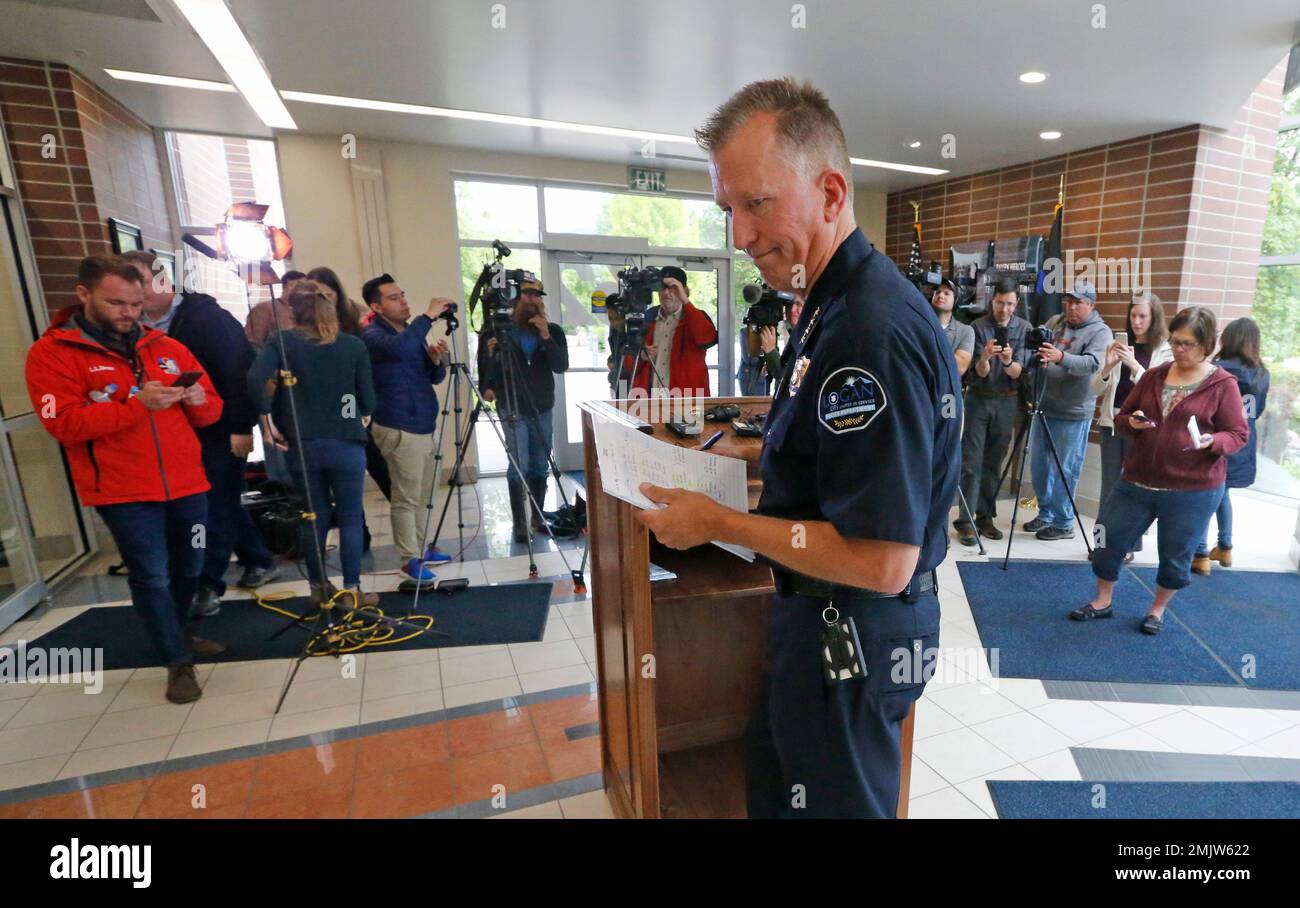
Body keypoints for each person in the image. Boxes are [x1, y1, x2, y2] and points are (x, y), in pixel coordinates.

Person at [636, 78, 960, 818]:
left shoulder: (865, 331)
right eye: (730, 211)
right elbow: (822, 449)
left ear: (831, 191)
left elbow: (883, 560)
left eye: (758, 204)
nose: (741, 237)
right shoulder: (827, 303)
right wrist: (739, 461)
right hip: (814, 624)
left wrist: (716, 523)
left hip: (850, 631)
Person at [25, 255, 225, 703]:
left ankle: (173, 632)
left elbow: (212, 410)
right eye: (116, 303)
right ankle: (176, 660)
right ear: (83, 295)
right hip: (124, 491)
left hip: (187, 484)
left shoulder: (167, 347)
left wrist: (195, 397)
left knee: (191, 565)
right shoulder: (51, 354)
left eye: (137, 303)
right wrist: (138, 406)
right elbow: (62, 424)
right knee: (151, 575)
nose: (129, 313)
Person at [1071, 307, 1248, 634]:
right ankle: (1102, 600)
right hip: (1137, 480)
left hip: (1193, 490)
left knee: (1175, 554)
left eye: (1188, 344)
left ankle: (1157, 609)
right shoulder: (1154, 375)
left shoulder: (1223, 384)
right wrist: (1133, 422)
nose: (1179, 350)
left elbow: (1238, 433)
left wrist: (1213, 440)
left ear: (1207, 344)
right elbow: (1123, 417)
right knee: (1107, 540)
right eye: (1175, 341)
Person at [125, 251, 279, 617]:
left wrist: (242, 428)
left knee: (215, 507)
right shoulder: (137, 327)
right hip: (177, 434)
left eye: (142, 282)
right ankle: (259, 558)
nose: (137, 293)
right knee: (219, 504)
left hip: (220, 429)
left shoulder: (206, 319)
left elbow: (240, 375)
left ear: (164, 280)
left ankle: (207, 584)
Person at [248, 280, 377, 606]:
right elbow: (368, 399)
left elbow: (254, 378)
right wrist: (360, 413)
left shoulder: (282, 342)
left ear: (292, 310)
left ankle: (319, 589)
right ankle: (351, 590)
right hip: (346, 443)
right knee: (349, 517)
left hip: (302, 445)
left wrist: (266, 418)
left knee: (313, 514)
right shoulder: (352, 346)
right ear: (329, 308)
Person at [360, 273, 457, 583]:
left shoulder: (408, 333)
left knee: (424, 493)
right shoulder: (373, 335)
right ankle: (409, 558)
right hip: (399, 427)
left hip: (424, 423)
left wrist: (435, 360)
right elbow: (399, 350)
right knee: (406, 497)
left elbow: (433, 378)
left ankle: (422, 548)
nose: (403, 301)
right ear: (375, 306)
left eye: (402, 294)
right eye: (393, 297)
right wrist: (428, 317)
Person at [477, 279, 569, 543]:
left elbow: (560, 365)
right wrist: (488, 386)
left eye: (538, 294)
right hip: (511, 406)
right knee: (520, 465)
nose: (533, 299)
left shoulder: (552, 330)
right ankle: (519, 523)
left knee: (540, 465)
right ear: (515, 297)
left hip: (542, 407)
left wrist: (546, 337)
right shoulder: (497, 330)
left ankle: (537, 516)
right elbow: (484, 366)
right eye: (528, 293)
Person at [1024, 279, 1113, 540]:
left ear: (1091, 304)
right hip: (1044, 405)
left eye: (1078, 302)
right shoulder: (1056, 321)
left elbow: (1093, 363)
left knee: (1065, 468)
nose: (1072, 307)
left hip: (1074, 411)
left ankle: (1064, 523)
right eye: (1069, 301)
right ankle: (1046, 513)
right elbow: (1040, 345)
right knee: (1040, 465)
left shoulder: (1100, 332)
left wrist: (1060, 357)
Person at [1091, 292, 1172, 561]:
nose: (1136, 321)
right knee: (1109, 488)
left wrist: (1134, 366)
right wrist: (1108, 366)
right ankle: (1101, 544)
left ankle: (1127, 546)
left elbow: (1159, 393)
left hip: (1141, 426)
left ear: (1154, 318)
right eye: (1133, 315)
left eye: (1142, 316)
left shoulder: (1164, 351)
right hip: (1111, 422)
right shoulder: (1117, 345)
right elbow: (1096, 388)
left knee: (1134, 488)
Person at [953, 275, 1030, 546]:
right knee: (971, 461)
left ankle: (985, 516)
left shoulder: (1024, 328)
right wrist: (985, 357)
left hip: (1007, 399)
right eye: (999, 302)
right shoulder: (976, 326)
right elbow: (978, 372)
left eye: (1009, 304)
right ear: (992, 300)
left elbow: (1019, 371)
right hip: (978, 399)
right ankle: (965, 520)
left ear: (1016, 303)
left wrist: (1008, 361)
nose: (1004, 309)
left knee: (994, 462)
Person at [1193, 317, 1270, 574]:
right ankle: (1225, 546)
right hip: (1244, 441)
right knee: (1223, 492)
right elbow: (1257, 412)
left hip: (1218, 437)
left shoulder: (1217, 369)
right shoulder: (1262, 373)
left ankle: (1200, 552)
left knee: (1207, 493)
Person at [628, 267, 718, 397]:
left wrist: (685, 301)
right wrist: (642, 355)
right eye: (662, 287)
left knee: (693, 417)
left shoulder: (696, 317)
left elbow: (706, 338)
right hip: (652, 400)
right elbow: (628, 362)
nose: (666, 292)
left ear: (684, 291)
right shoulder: (647, 318)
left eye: (673, 288)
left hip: (689, 401)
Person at [737, 296, 804, 396]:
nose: (793, 310)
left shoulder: (811, 340)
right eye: (789, 305)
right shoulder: (795, 336)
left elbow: (794, 384)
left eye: (799, 305)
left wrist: (771, 352)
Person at [244, 269, 305, 348]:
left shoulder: (304, 312)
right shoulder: (264, 309)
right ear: (285, 286)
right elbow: (253, 343)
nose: (302, 292)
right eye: (298, 287)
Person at [931, 277, 975, 375]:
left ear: (956, 300)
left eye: (946, 293)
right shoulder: (920, 325)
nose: (940, 295)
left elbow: (959, 368)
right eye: (937, 292)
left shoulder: (966, 331)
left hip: (948, 389)